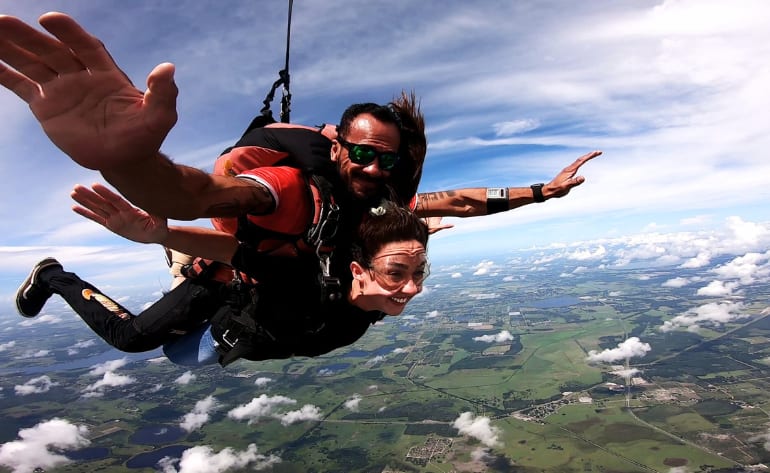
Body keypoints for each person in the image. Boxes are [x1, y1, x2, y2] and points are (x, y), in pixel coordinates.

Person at [0, 12, 599, 227]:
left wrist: (541, 192)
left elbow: (459, 201)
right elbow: (194, 195)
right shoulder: (290, 189)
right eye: (361, 153)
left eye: (386, 160)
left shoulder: (379, 198)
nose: (373, 168)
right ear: (337, 148)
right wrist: (128, 160)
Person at [16, 189, 430, 367]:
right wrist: (161, 234)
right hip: (224, 297)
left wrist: (412, 234)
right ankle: (55, 276)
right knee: (132, 339)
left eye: (418, 273)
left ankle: (182, 266)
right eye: (397, 274)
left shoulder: (375, 299)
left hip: (234, 334)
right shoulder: (303, 282)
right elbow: (235, 252)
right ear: (358, 271)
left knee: (174, 353)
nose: (412, 288)